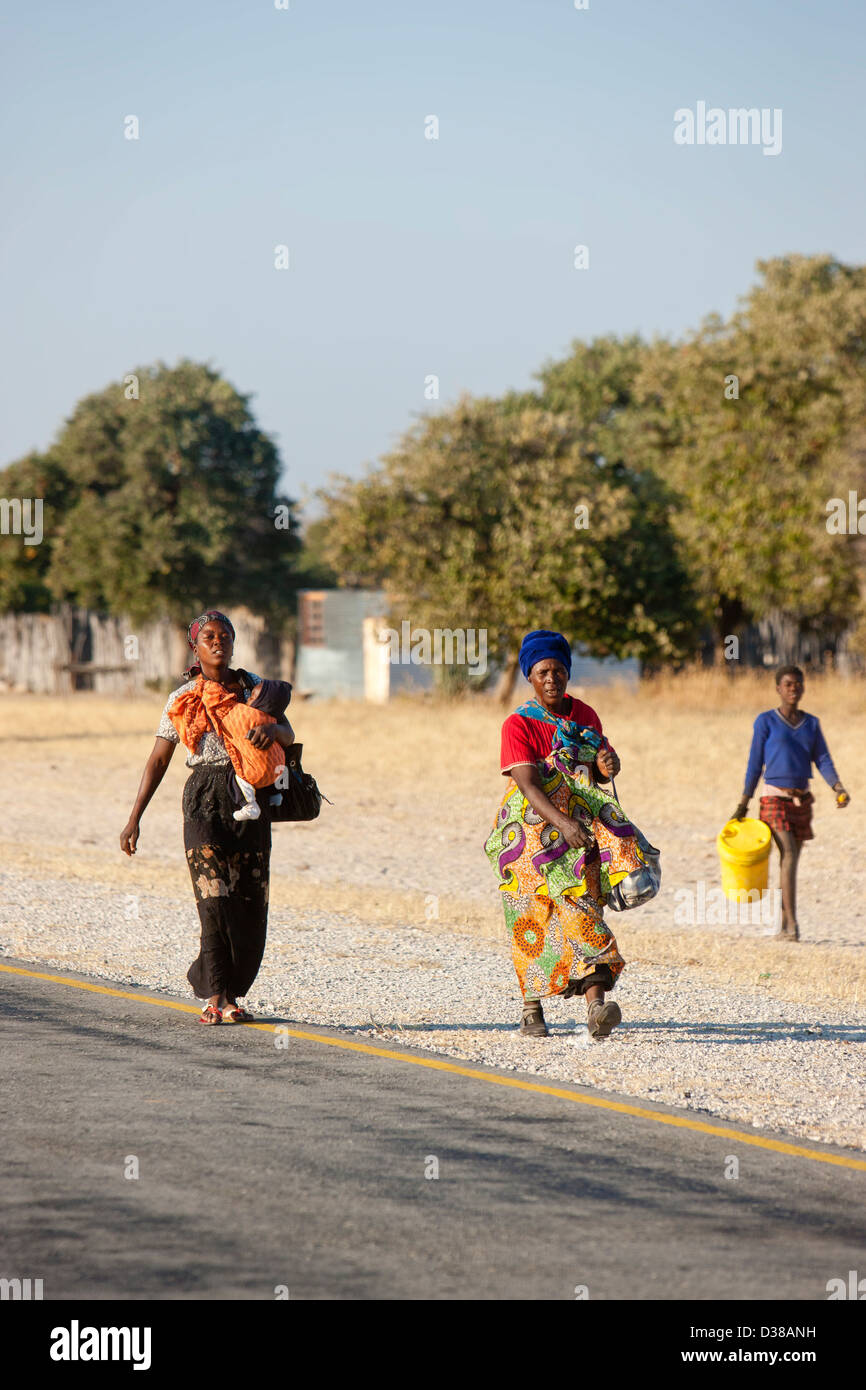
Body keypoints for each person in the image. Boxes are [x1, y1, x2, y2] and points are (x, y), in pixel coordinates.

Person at [120, 610, 297, 1023]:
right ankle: (216, 997)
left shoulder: (255, 688)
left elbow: (288, 734)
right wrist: (134, 818)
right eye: (210, 637)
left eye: (225, 636)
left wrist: (272, 732)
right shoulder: (182, 698)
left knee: (249, 903)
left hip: (250, 797)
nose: (219, 642)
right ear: (194, 647)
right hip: (203, 798)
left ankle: (233, 994)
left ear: (233, 643)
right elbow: (159, 759)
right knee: (213, 901)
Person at [486, 629, 630, 1039]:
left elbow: (594, 774)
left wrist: (607, 764)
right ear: (529, 677)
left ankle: (597, 1008)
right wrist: (561, 824)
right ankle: (531, 1008)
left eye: (559, 670)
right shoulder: (518, 724)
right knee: (532, 919)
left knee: (583, 911)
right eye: (543, 671)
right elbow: (528, 785)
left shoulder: (586, 716)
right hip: (526, 839)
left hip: (578, 832)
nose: (552, 678)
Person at [733, 665, 850, 941]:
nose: (793, 689)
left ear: (803, 687)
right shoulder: (765, 722)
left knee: (791, 861)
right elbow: (754, 765)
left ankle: (785, 925)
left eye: (797, 684)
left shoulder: (811, 724)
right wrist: (743, 803)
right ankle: (793, 925)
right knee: (789, 853)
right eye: (787, 684)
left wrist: (837, 787)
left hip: (802, 801)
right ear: (778, 688)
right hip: (773, 797)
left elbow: (822, 759)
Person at [167, 675, 293, 821]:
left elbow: (223, 711)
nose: (248, 700)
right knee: (278, 768)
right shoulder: (271, 716)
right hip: (276, 771)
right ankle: (276, 794)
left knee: (238, 779)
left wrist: (206, 690)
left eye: (252, 697)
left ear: (264, 703)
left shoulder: (249, 704)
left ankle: (248, 804)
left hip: (250, 776)